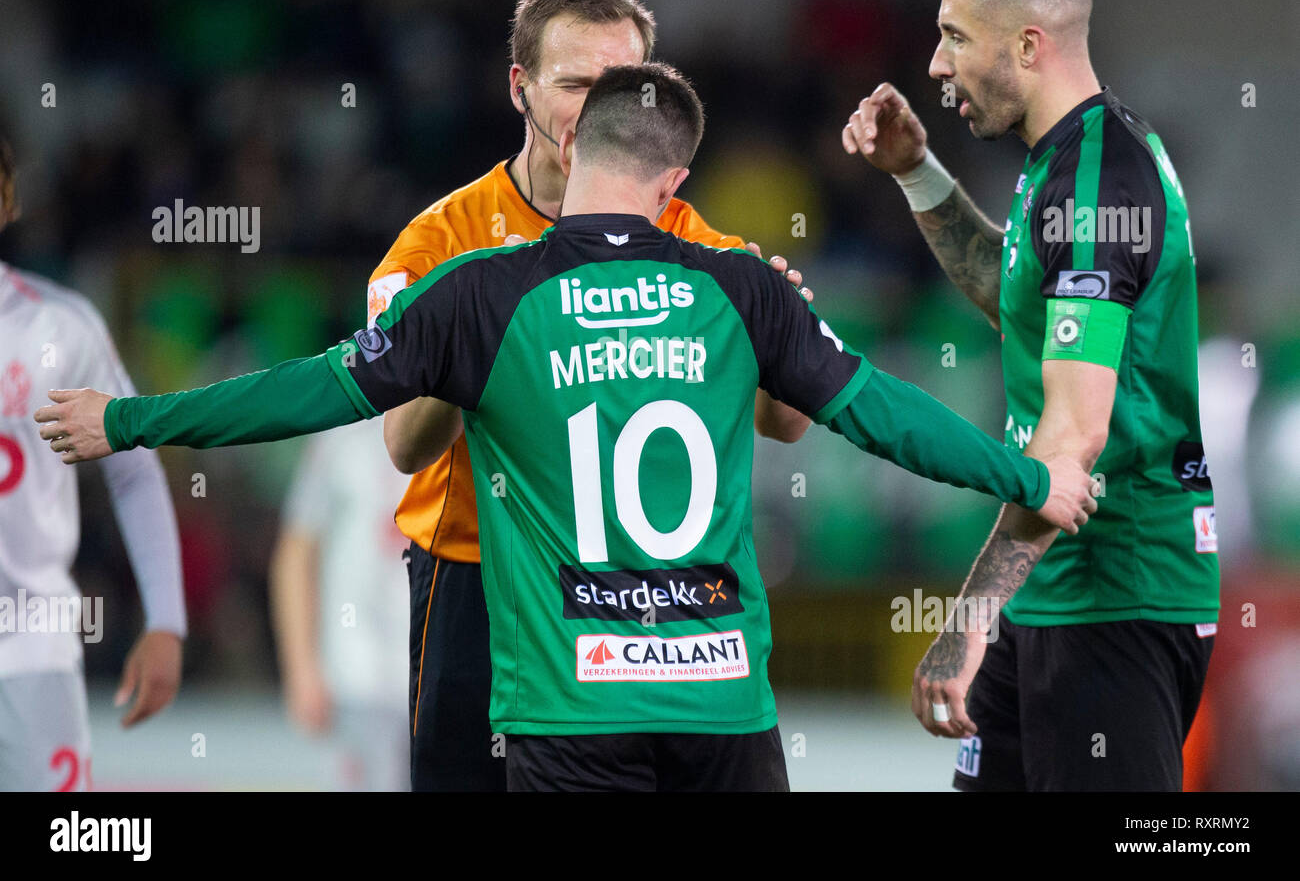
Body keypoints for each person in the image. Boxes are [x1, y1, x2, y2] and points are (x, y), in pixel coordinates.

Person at [36, 62, 1098, 791]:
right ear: (675, 183)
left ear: (572, 142)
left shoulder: (477, 294)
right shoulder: (739, 286)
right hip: (724, 715)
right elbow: (878, 409)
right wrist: (1027, 475)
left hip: (566, 717)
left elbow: (310, 389)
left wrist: (129, 417)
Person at [366, 0, 811, 791]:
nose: (596, 110)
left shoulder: (689, 238)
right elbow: (402, 445)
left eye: (620, 87)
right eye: (574, 84)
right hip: (471, 579)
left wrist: (781, 330)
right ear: (520, 87)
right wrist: (473, 324)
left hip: (630, 590)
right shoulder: (440, 242)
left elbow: (784, 423)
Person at [841, 0, 1218, 790]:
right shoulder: (1067, 165)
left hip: (1116, 598)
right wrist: (918, 174)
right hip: (1056, 592)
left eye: (955, 37)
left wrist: (968, 620)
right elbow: (1018, 304)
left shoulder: (1097, 183)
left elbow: (1072, 444)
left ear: (1028, 45)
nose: (936, 63)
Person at [0, 138, 186, 790]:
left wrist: (166, 619)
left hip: (31, 649)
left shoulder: (60, 327)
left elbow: (133, 466)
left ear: (10, 199)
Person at [268, 419, 410, 791]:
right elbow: (297, 550)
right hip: (357, 677)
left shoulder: (455, 414)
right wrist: (301, 666)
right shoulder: (341, 428)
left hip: (441, 674)